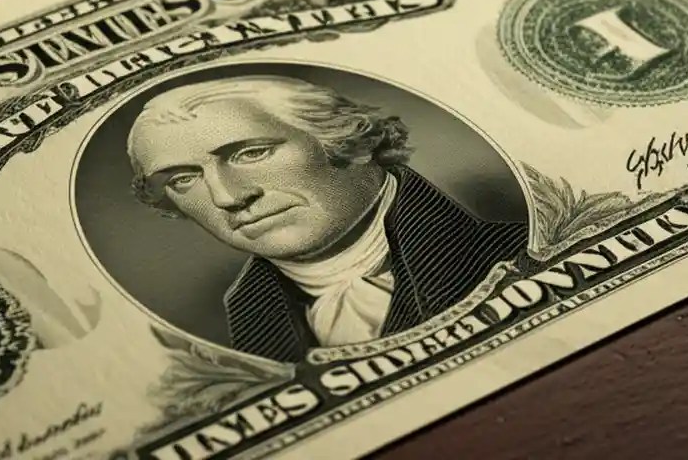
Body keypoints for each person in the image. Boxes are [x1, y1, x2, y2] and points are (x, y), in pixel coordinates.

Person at [125, 75, 528, 364]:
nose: (228, 197)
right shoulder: (246, 331)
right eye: (183, 179)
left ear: (349, 141)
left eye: (251, 153)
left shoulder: (527, 248)